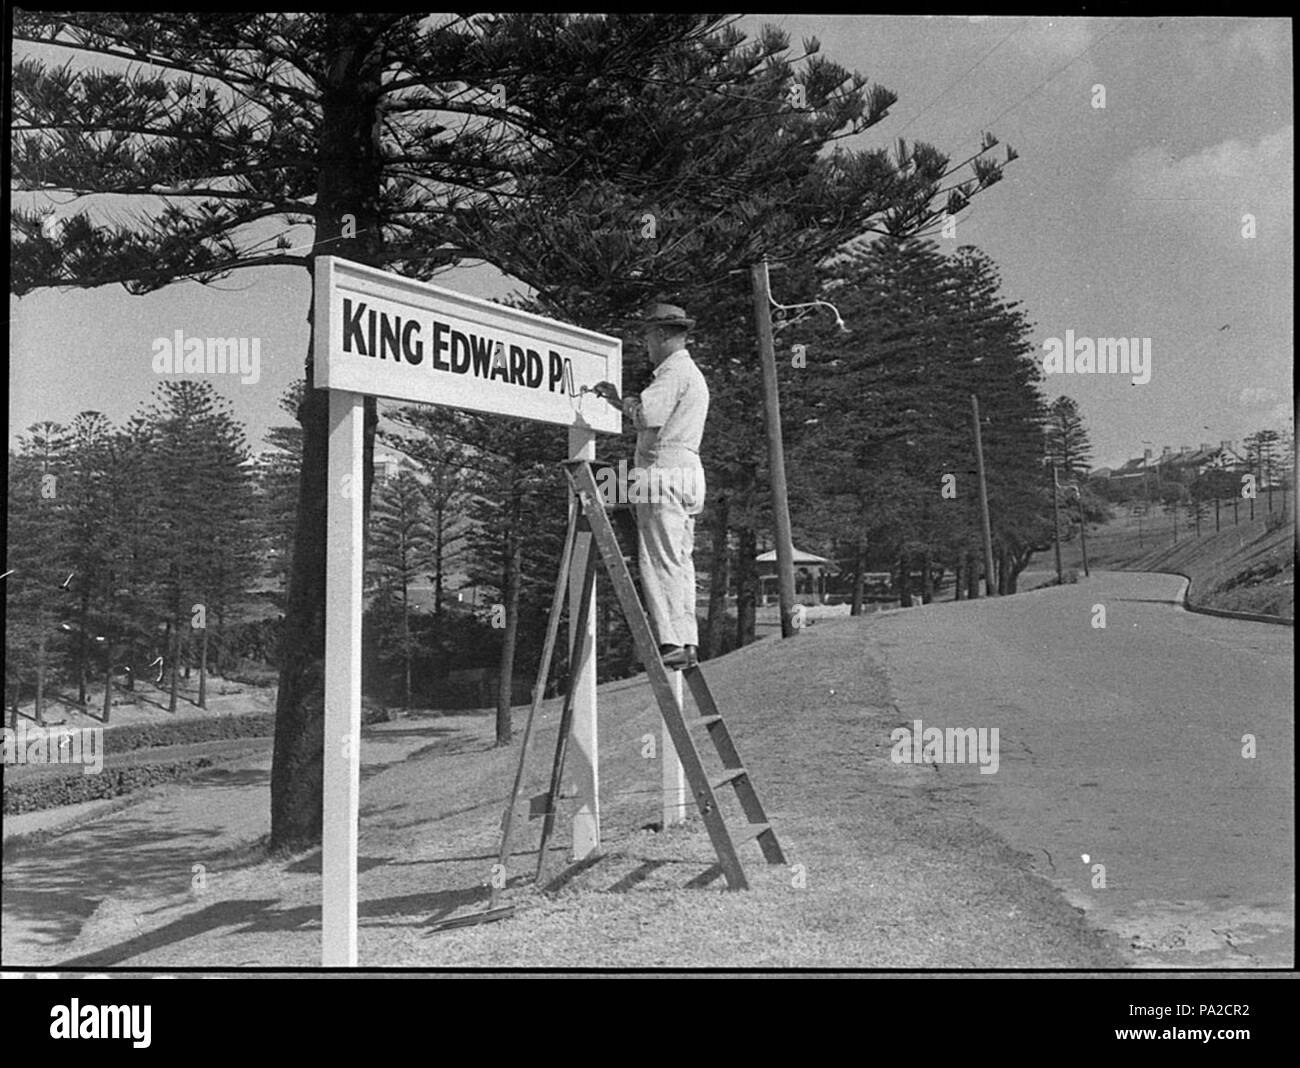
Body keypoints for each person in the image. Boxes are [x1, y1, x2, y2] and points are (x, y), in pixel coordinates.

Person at [592, 303, 709, 668]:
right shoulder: (691, 374)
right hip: (685, 472)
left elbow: (648, 415)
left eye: (647, 336)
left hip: (662, 472)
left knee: (658, 559)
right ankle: (686, 640)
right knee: (678, 559)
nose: (645, 344)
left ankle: (671, 641)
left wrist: (622, 401)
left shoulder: (673, 372)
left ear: (661, 335)